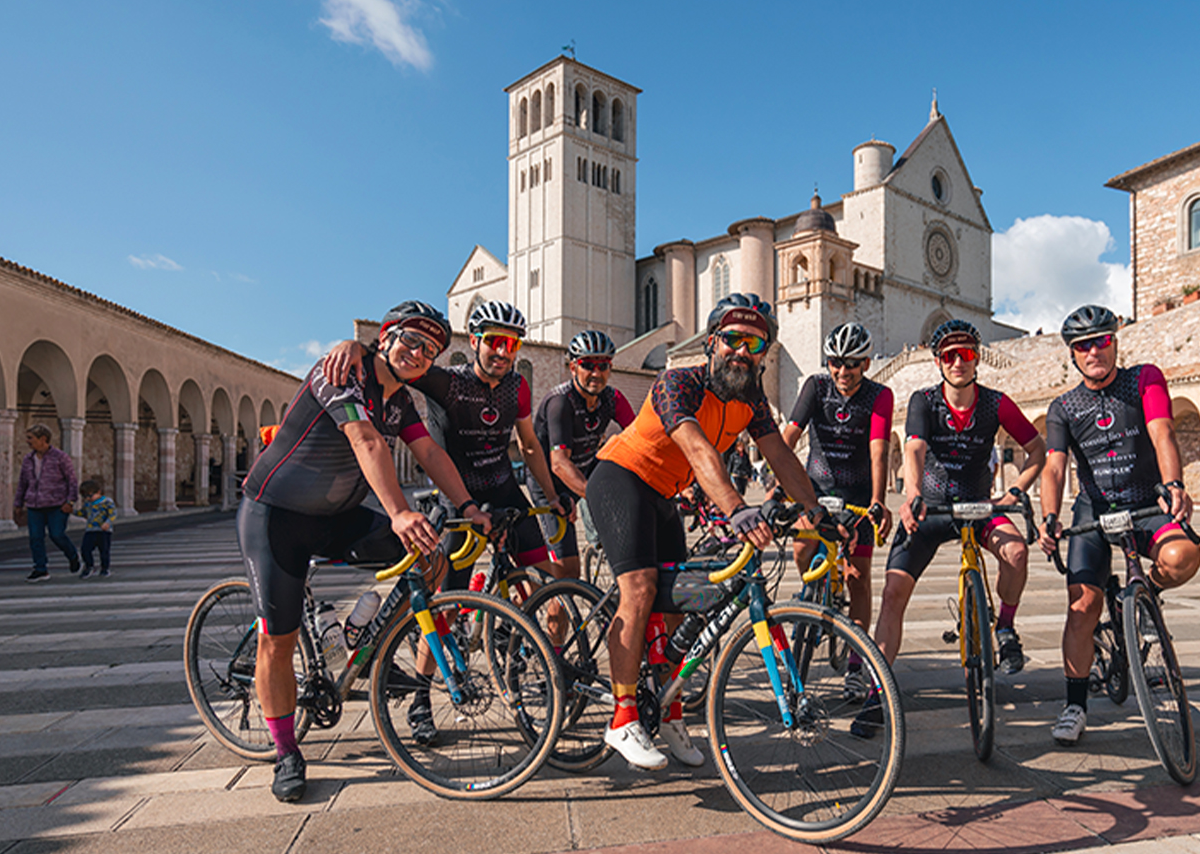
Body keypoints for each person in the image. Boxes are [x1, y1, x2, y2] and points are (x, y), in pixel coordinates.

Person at [241, 302, 493, 803]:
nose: (418, 354)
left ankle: (364, 642)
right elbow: (367, 443)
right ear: (386, 336)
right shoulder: (342, 371)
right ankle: (286, 750)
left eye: (430, 350)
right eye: (409, 341)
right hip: (276, 515)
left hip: (337, 515)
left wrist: (466, 504)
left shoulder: (400, 402)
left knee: (431, 558)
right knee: (279, 640)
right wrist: (400, 513)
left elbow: (431, 453)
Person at [589, 293, 831, 770]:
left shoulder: (751, 399)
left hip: (663, 496)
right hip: (621, 479)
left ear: (764, 354)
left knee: (679, 607)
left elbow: (779, 455)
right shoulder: (677, 382)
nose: (742, 351)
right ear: (712, 344)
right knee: (638, 590)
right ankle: (621, 717)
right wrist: (738, 509)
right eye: (733, 339)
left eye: (755, 342)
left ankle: (671, 711)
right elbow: (699, 450)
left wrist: (817, 510)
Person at [324, 301, 569, 747]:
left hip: (505, 493)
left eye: (511, 344)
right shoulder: (446, 381)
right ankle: (420, 699)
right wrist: (355, 347)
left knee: (552, 594)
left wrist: (551, 496)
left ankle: (551, 679)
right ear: (474, 342)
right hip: (459, 502)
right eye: (494, 341)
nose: (503, 351)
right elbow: (394, 363)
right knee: (444, 608)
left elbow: (529, 445)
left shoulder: (517, 387)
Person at [867, 319, 1045, 736]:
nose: (958, 361)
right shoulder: (924, 400)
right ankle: (876, 695)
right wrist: (911, 493)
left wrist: (1016, 490)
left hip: (979, 506)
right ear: (937, 362)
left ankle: (1004, 626)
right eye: (949, 355)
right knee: (893, 593)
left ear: (978, 357)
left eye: (966, 353)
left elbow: (1036, 448)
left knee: (1017, 552)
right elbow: (913, 447)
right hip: (930, 508)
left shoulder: (996, 403)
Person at [1036, 305, 1199, 746]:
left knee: (1183, 556)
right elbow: (1054, 468)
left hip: (1146, 499)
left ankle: (1143, 596)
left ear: (1115, 342)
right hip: (1093, 509)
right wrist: (1049, 517)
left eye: (1102, 341)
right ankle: (1074, 705)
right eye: (1083, 346)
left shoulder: (1143, 378)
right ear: (1072, 354)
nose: (1094, 352)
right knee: (1082, 608)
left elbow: (1162, 430)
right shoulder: (1064, 407)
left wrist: (1174, 483)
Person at [781, 321, 894, 698]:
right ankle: (812, 587)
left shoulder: (880, 394)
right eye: (835, 363)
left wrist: (878, 500)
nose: (843, 372)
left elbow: (879, 450)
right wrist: (776, 481)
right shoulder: (816, 386)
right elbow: (791, 434)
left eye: (851, 364)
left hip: (858, 492)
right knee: (801, 549)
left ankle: (856, 667)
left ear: (865, 362)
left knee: (858, 578)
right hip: (816, 488)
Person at [533, 329, 636, 580]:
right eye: (587, 365)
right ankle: (531, 604)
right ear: (572, 367)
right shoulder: (560, 403)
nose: (596, 373)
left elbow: (638, 438)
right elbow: (558, 464)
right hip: (549, 483)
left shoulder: (612, 398)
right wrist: (596, 497)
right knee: (567, 578)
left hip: (583, 469)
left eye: (603, 366)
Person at [15, 424, 81, 582]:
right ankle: (40, 569)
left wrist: (70, 501)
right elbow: (23, 482)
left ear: (42, 439)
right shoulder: (28, 459)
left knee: (57, 535)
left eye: (31, 438)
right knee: (35, 538)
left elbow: (72, 481)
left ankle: (72, 555)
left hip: (56, 505)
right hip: (34, 505)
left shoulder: (60, 457)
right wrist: (18, 502)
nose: (28, 441)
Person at [76, 479, 117, 579]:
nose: (88, 498)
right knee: (85, 549)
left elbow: (112, 513)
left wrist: (107, 523)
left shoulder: (107, 501)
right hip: (90, 530)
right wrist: (72, 511)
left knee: (104, 550)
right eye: (85, 496)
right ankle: (89, 566)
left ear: (98, 492)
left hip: (103, 531)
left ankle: (105, 568)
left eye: (90, 495)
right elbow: (83, 513)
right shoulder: (88, 504)